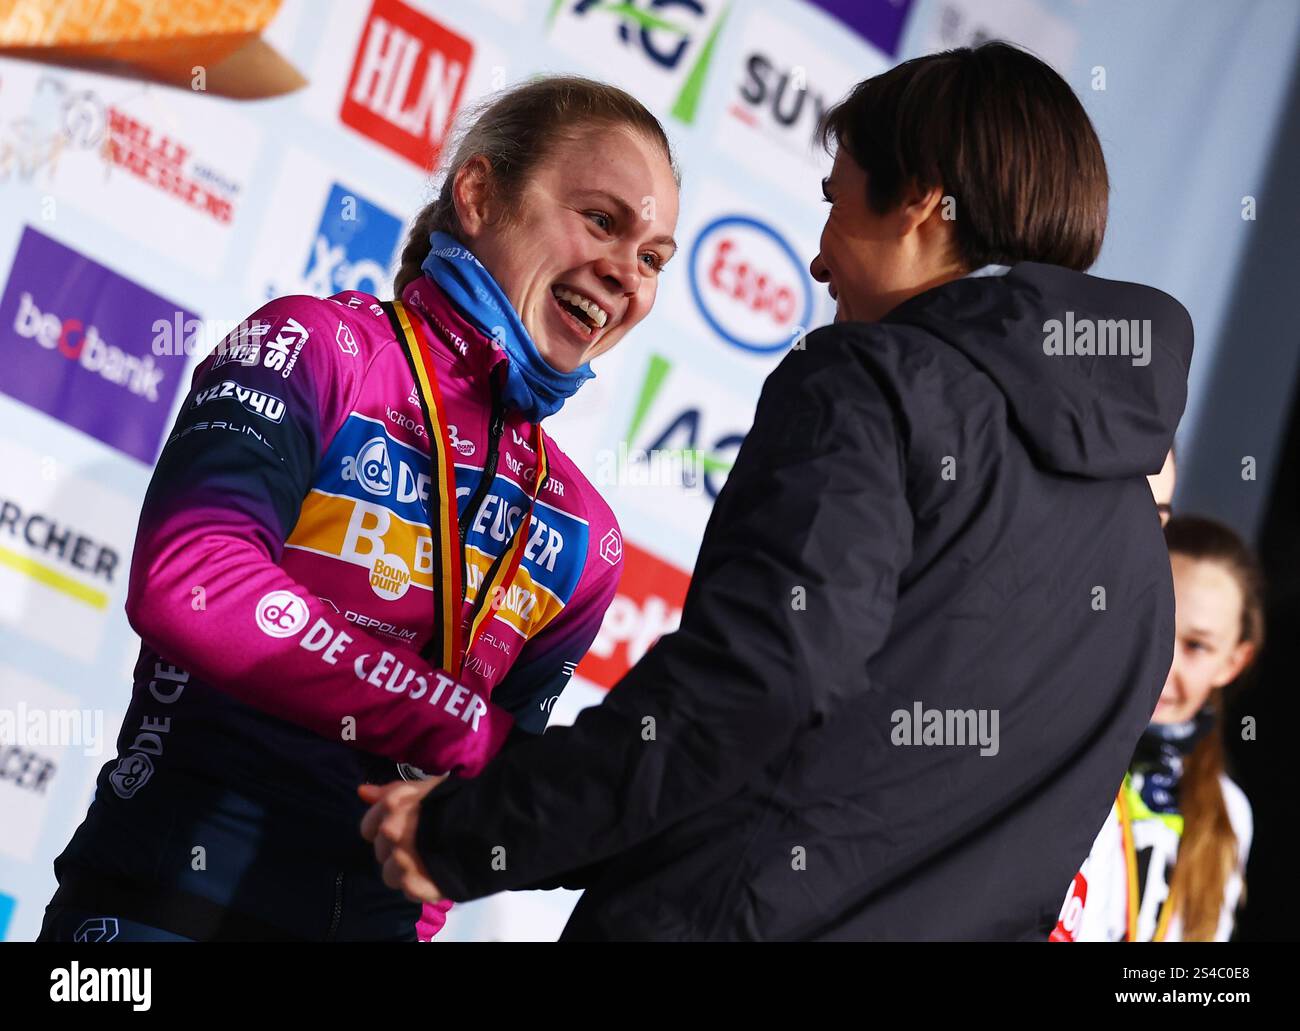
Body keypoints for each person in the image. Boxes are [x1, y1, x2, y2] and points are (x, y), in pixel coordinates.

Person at [361, 42, 1194, 941]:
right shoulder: (1137, 548)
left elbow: (761, 685)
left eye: (836, 202)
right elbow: (824, 789)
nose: (819, 259)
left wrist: (469, 832)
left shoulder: (873, 381)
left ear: (919, 200)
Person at [38, 75, 681, 942]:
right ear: (480, 194)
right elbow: (192, 582)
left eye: (652, 257)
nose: (625, 275)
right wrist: (452, 719)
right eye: (602, 220)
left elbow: (488, 793)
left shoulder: (584, 535)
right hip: (165, 908)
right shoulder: (317, 348)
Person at [1054, 515, 1262, 941]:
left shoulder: (1229, 814)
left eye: (1196, 646)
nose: (1164, 666)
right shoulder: (1055, 758)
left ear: (1233, 662)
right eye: (1157, 626)